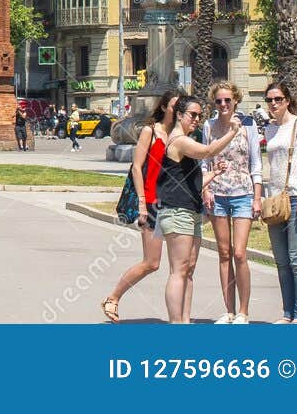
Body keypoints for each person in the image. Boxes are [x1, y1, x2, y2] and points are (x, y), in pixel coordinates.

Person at [102, 89, 182, 322]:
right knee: (152, 262)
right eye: (174, 106)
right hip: (152, 203)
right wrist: (142, 204)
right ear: (165, 106)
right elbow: (137, 167)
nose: (177, 111)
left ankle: (179, 319)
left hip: (174, 203)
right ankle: (113, 297)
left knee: (181, 266)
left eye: (181, 107)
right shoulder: (150, 130)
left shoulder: (181, 134)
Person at [157, 95, 238, 323]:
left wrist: (213, 174)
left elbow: (188, 181)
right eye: (192, 114)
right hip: (177, 211)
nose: (197, 118)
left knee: (188, 269)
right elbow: (207, 151)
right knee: (179, 269)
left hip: (190, 210)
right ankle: (176, 324)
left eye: (200, 115)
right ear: (179, 115)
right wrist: (232, 132)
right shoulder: (179, 140)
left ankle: (185, 320)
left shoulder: (185, 140)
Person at [203, 80, 261, 324]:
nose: (223, 104)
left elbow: (256, 163)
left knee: (239, 253)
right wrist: (205, 188)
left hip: (242, 193)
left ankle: (243, 312)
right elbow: (204, 160)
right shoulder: (209, 125)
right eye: (219, 101)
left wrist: (258, 197)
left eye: (228, 100)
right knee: (224, 253)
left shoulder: (248, 125)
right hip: (217, 193)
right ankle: (228, 310)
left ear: (236, 100)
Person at [263, 80, 297, 323]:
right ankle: (287, 314)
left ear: (287, 101)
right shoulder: (269, 129)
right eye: (269, 100)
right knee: (282, 261)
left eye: (278, 99)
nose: (273, 104)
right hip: (276, 199)